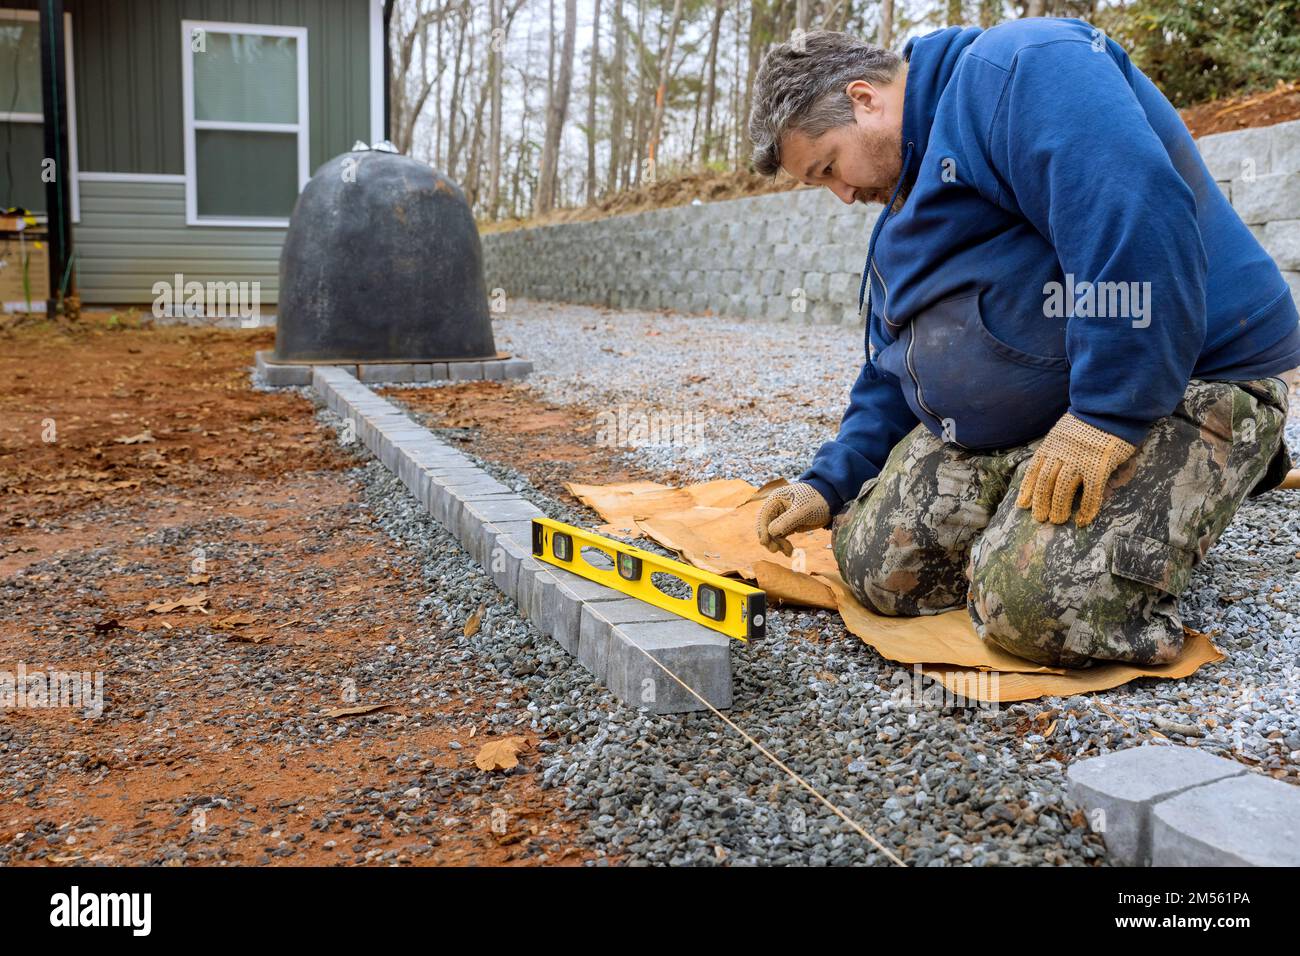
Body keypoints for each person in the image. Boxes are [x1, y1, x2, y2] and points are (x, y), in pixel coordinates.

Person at [749, 20, 1300, 668]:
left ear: (864, 98)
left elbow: (1131, 211)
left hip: (1185, 375)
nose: (843, 196)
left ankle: (1194, 479)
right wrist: (829, 482)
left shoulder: (1016, 69)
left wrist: (1105, 415)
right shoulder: (903, 203)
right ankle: (1064, 508)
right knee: (878, 568)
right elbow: (895, 363)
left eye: (828, 167)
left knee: (1034, 605)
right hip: (1053, 405)